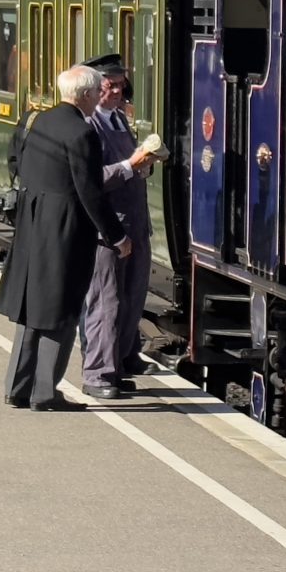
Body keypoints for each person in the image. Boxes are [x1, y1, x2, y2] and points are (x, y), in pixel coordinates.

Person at [0, 66, 131, 412]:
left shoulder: (35, 121)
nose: (99, 98)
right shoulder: (81, 134)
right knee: (60, 307)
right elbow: (91, 192)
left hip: (32, 222)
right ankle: (44, 392)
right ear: (85, 96)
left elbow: (16, 161)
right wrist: (117, 236)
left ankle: (17, 386)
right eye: (96, 93)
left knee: (32, 307)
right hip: (65, 227)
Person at [77, 54, 161, 399]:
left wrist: (144, 165)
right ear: (94, 89)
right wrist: (130, 164)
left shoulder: (118, 120)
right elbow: (91, 180)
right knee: (105, 301)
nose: (115, 90)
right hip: (109, 229)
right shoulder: (89, 126)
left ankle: (120, 362)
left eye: (119, 83)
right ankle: (97, 373)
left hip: (136, 224)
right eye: (108, 85)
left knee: (131, 299)